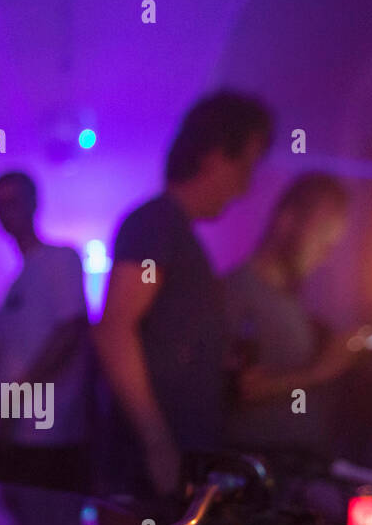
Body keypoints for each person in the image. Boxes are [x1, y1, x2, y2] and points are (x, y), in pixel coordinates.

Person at [94, 91, 272, 498]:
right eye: (246, 166)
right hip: (153, 469)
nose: (246, 187)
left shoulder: (174, 231)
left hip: (175, 457)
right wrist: (157, 444)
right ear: (212, 156)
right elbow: (115, 329)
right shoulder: (156, 224)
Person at [0, 171, 90, 492]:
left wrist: (15, 401)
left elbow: (71, 331)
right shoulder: (16, 280)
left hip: (48, 435)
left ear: (34, 204)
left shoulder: (60, 258)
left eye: (13, 201)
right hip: (11, 432)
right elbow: (9, 356)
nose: (5, 210)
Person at [226, 173, 357, 454]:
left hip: (300, 464)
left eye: (332, 243)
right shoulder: (236, 293)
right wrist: (322, 370)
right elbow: (242, 388)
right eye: (322, 235)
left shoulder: (291, 300)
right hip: (260, 462)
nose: (326, 253)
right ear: (286, 221)